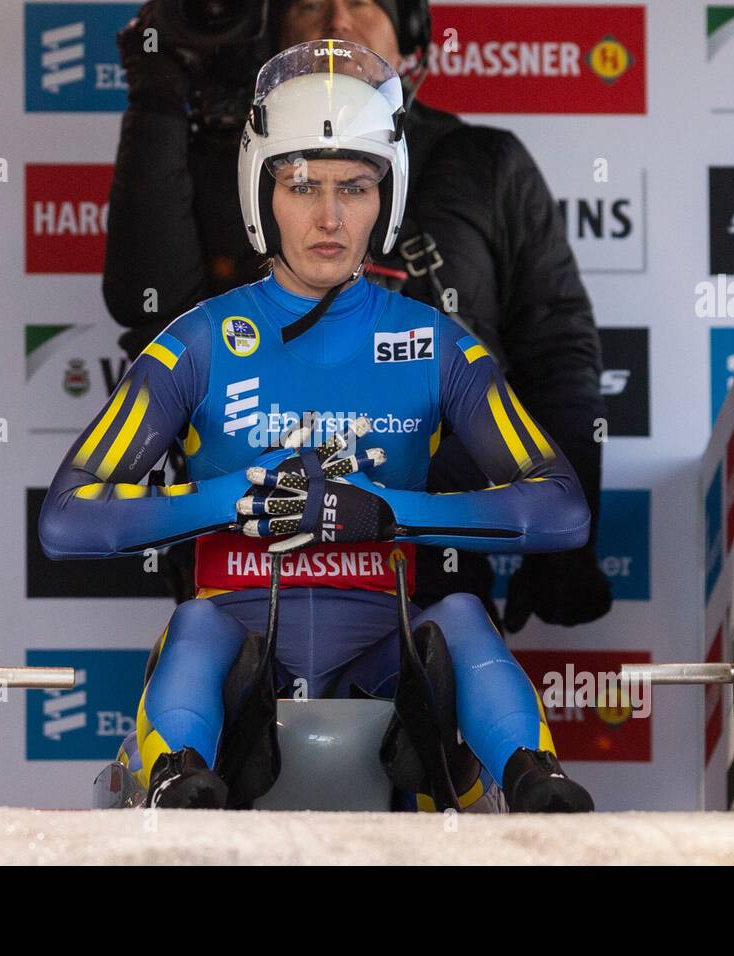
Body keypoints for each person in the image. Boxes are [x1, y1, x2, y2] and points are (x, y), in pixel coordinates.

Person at [43, 39, 594, 813]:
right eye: (302, 186)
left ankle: (537, 783)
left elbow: (563, 508)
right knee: (195, 627)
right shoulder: (200, 338)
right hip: (238, 662)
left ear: (389, 198)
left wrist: (391, 514)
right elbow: (67, 519)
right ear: (261, 193)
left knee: (463, 615)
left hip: (387, 658)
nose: (330, 217)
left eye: (356, 187)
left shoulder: (434, 342)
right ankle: (179, 782)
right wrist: (234, 499)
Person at [105, 0, 612, 633]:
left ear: (412, 38)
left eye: (366, 3)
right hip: (245, 560)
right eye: (311, 4)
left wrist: (569, 541)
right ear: (272, 31)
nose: (336, 23)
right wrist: (156, 100)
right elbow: (150, 310)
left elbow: (556, 357)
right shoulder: (225, 160)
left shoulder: (485, 162)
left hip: (435, 563)